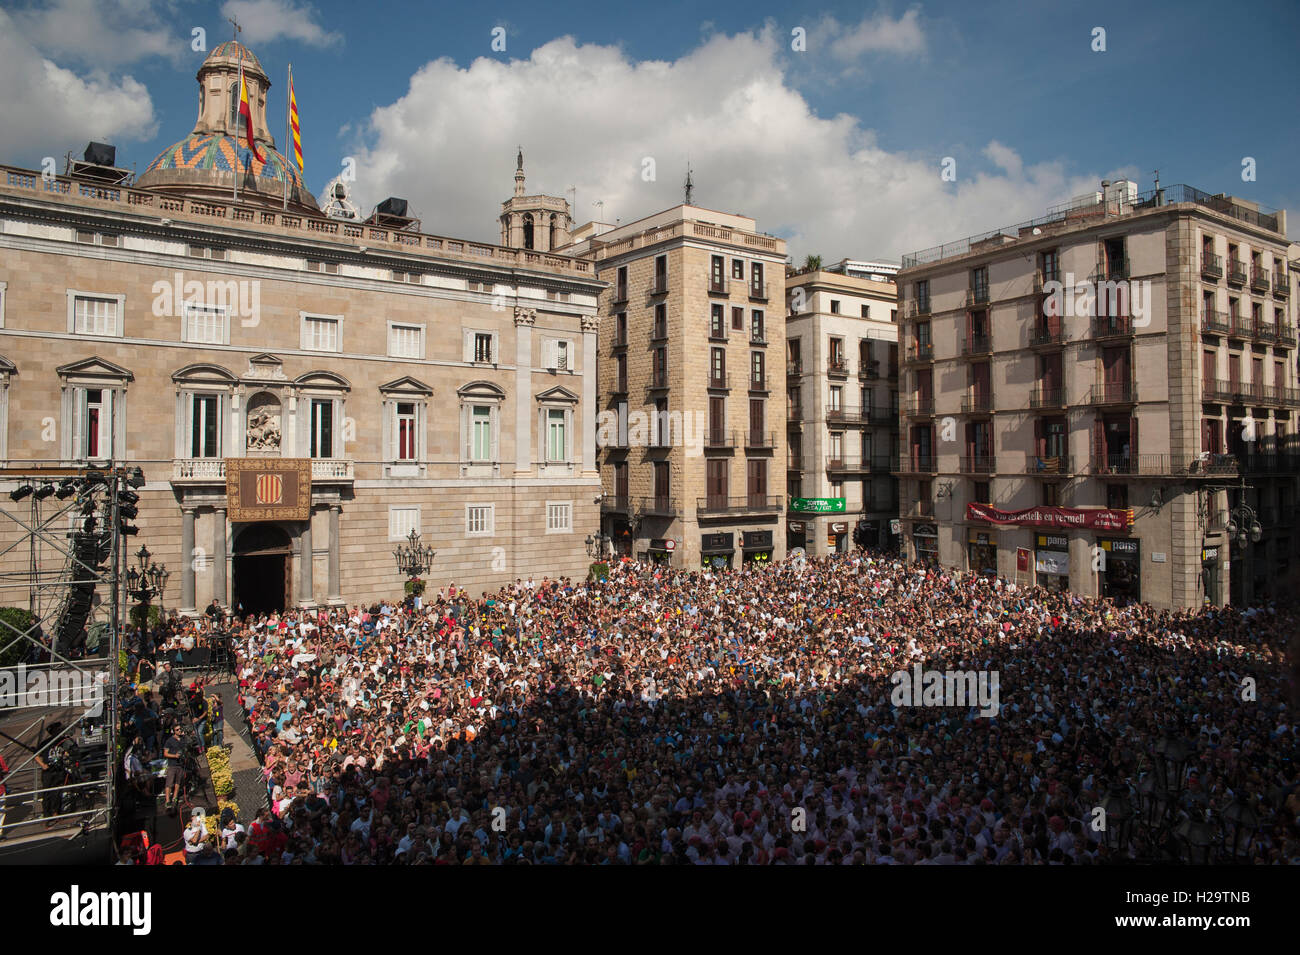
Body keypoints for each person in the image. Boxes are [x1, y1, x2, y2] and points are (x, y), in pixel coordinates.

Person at [163, 725, 186, 810]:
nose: (179, 730)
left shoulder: (183, 739)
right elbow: (165, 753)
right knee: (169, 782)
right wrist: (174, 756)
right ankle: (167, 800)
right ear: (174, 731)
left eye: (180, 729)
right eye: (177, 730)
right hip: (172, 764)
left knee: (178, 782)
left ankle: (175, 797)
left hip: (180, 764)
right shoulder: (169, 741)